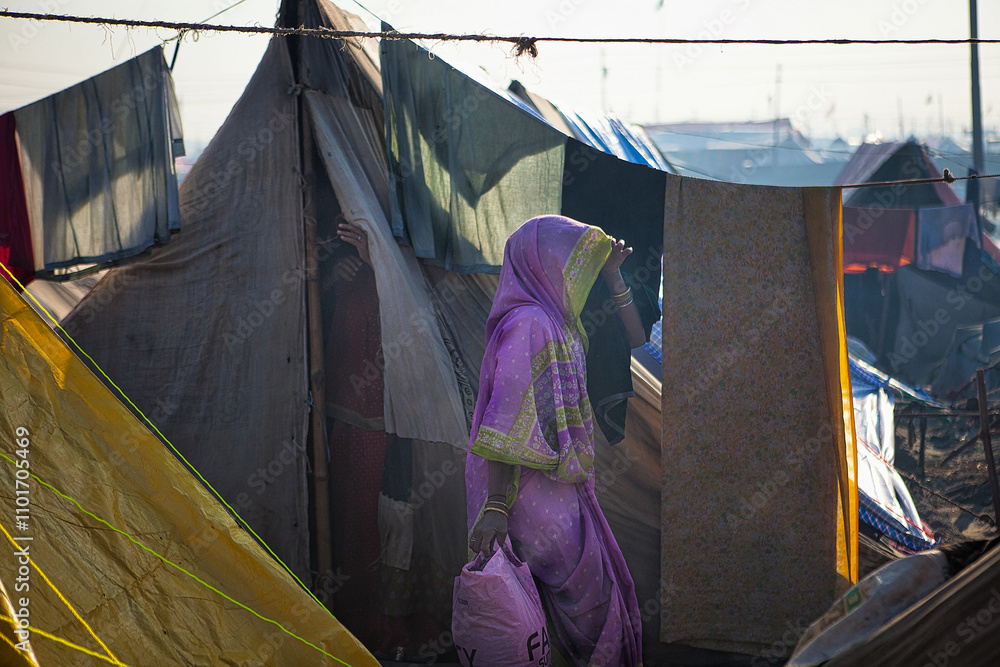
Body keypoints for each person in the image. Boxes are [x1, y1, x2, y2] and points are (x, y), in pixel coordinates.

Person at [466, 215, 644, 666]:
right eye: (570, 265)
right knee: (582, 599)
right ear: (543, 265)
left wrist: (612, 274)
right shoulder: (529, 323)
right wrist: (495, 507)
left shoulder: (559, 321)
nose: (574, 278)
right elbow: (505, 419)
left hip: (557, 485)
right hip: (526, 490)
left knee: (560, 602)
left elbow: (637, 338)